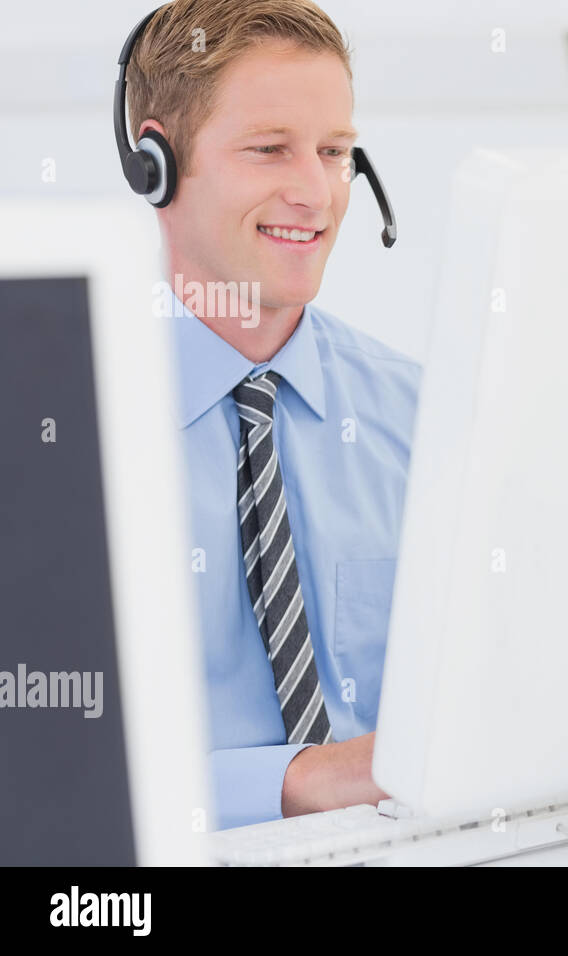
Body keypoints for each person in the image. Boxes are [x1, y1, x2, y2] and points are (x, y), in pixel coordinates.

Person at [125, 0, 420, 829]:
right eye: (269, 151)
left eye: (334, 153)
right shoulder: (55, 434)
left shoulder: (421, 414)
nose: (316, 192)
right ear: (157, 163)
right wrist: (300, 781)